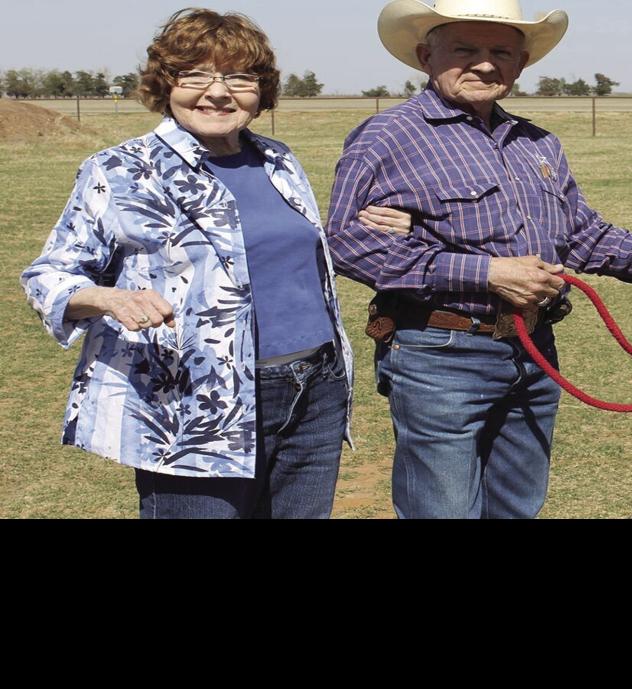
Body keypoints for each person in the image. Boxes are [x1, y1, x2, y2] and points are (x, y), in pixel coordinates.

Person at [328, 0, 632, 519]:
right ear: (426, 55)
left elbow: (585, 238)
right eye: (465, 49)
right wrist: (486, 273)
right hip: (441, 354)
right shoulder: (387, 137)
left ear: (521, 63)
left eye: (502, 52)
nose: (485, 64)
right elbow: (345, 242)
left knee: (517, 506)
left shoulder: (537, 143)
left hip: (534, 353)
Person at [19, 8, 407, 519]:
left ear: (261, 91)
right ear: (166, 84)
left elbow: (286, 254)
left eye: (239, 78)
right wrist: (108, 296)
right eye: (195, 75)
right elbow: (48, 275)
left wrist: (374, 227)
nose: (218, 92)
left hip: (315, 385)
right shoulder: (119, 170)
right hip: (194, 398)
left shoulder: (277, 160)